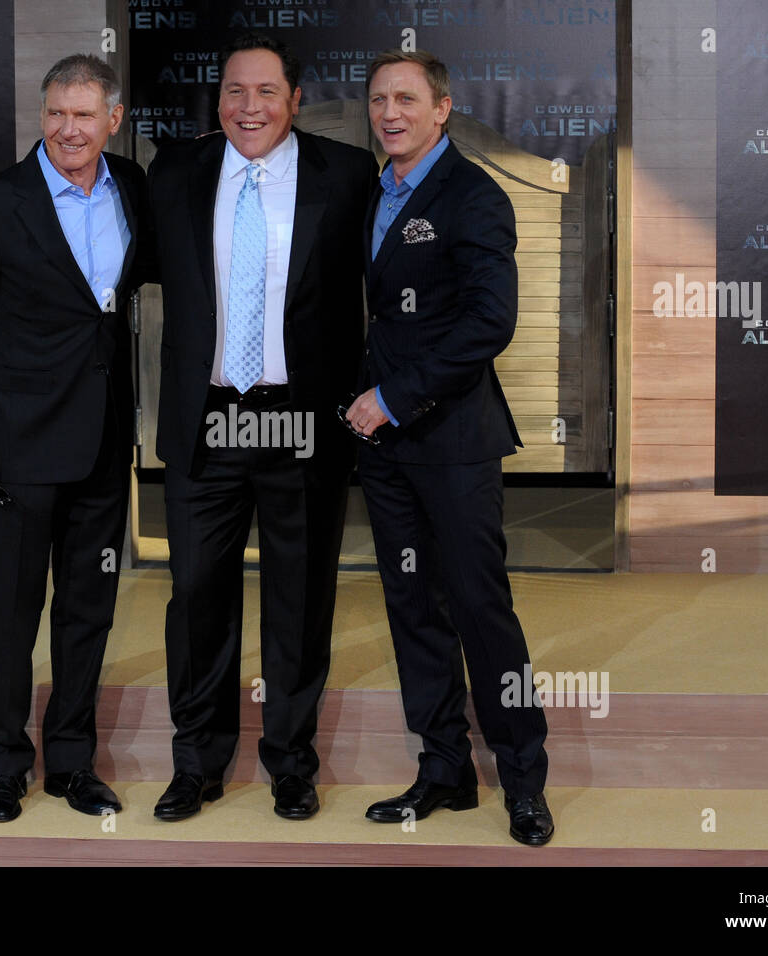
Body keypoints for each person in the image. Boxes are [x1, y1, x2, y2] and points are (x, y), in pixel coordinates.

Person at [146, 32, 378, 821]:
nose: (250, 108)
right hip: (205, 420)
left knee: (299, 598)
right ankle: (197, 763)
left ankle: (290, 762)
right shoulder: (175, 169)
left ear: (295, 100)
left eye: (266, 93)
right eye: (234, 92)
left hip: (300, 421)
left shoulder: (346, 175)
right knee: (197, 596)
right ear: (218, 100)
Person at [344, 49, 555, 846]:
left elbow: (487, 324)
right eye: (376, 100)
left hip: (454, 440)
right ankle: (444, 770)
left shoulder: (474, 195)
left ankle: (524, 780)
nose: (389, 113)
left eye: (406, 99)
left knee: (478, 608)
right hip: (384, 449)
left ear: (442, 108)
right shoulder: (375, 192)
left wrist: (395, 397)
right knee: (411, 607)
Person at [0, 54, 150, 823]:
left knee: (87, 614)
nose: (68, 129)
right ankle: (4, 767)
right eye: (56, 113)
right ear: (42, 115)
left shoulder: (133, 189)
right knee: (11, 616)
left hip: (99, 447)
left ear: (113, 121)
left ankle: (71, 764)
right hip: (17, 451)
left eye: (85, 115)